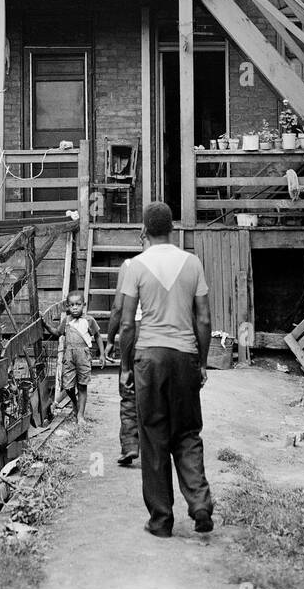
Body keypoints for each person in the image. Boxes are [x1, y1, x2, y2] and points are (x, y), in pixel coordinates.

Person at [119, 201, 214, 537]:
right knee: (188, 433)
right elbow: (203, 318)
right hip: (185, 356)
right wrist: (202, 361)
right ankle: (200, 502)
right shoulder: (192, 263)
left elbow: (127, 325)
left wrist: (125, 367)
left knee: (154, 437)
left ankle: (161, 521)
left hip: (149, 359)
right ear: (172, 228)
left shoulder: (136, 266)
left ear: (145, 230)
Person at [104, 230, 147, 466]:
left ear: (143, 239)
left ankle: (131, 445)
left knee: (128, 385)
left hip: (136, 330)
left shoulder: (130, 265)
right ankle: (155, 447)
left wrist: (110, 339)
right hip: (162, 335)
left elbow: (119, 308)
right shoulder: (177, 265)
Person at [45, 290, 106, 427]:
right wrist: (46, 325)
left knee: (82, 386)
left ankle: (80, 415)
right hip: (69, 356)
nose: (74, 307)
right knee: (68, 387)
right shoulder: (66, 321)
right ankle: (74, 402)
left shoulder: (89, 320)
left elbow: (97, 336)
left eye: (78, 304)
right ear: (67, 306)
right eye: (71, 305)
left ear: (84, 305)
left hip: (83, 356)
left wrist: (102, 354)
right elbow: (57, 333)